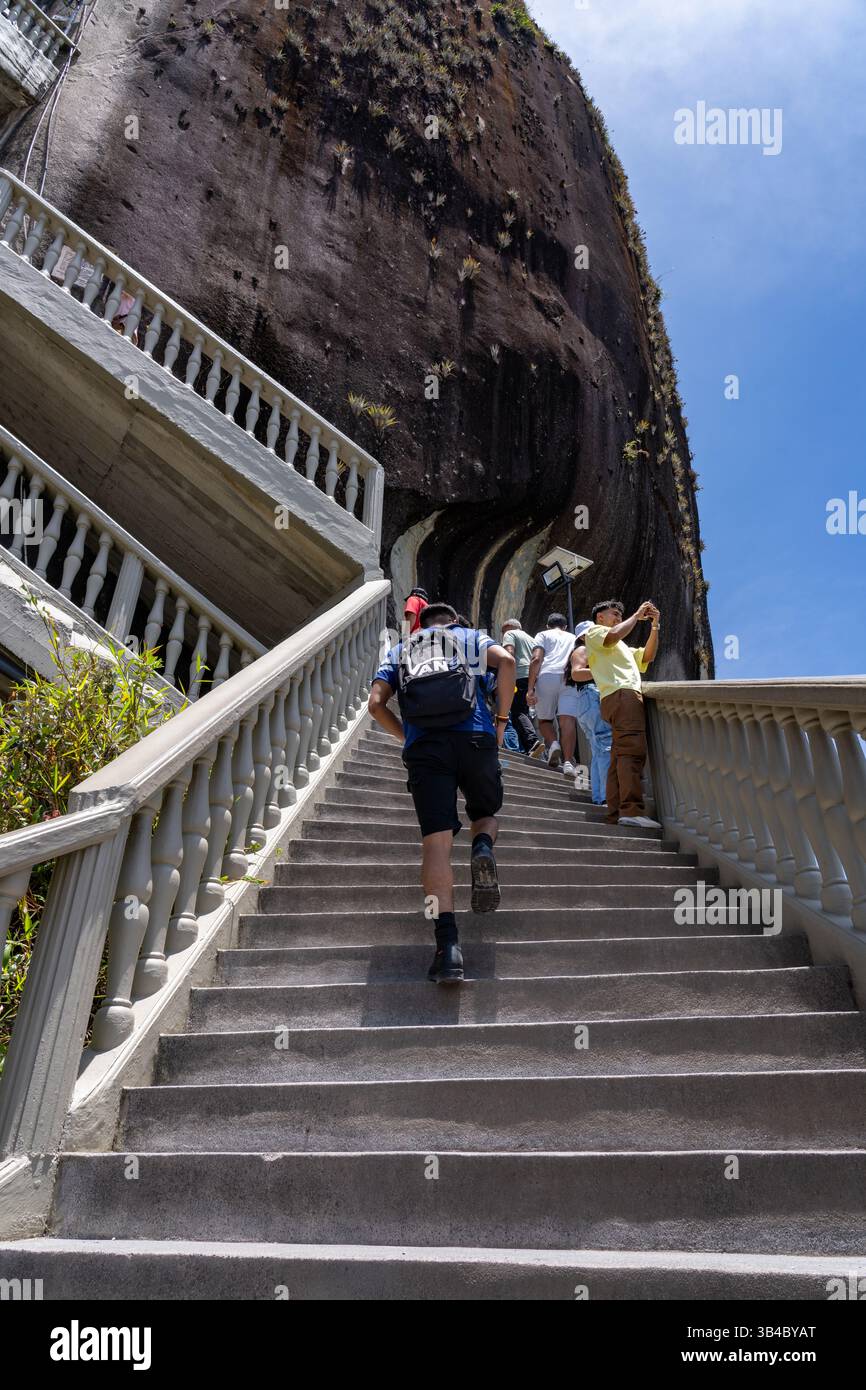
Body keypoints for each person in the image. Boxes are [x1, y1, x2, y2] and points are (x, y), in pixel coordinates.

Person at [368, 601, 516, 984]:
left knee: (436, 845)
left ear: (420, 625)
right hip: (476, 738)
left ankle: (447, 948)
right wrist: (501, 722)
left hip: (425, 750)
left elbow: (375, 704)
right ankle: (482, 846)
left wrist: (407, 737)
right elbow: (508, 664)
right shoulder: (469, 637)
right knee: (485, 814)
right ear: (454, 621)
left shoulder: (402, 649)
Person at [583, 599, 661, 828]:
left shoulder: (623, 648)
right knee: (632, 752)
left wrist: (655, 625)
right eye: (614, 614)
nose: (617, 617)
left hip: (618, 697)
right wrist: (636, 616)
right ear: (600, 617)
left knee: (619, 758)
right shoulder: (595, 632)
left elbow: (647, 656)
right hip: (623, 695)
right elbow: (612, 636)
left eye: (620, 614)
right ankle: (632, 809)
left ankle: (616, 812)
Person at [556, 621, 612, 805]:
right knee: (605, 744)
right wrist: (605, 671)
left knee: (598, 749)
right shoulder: (583, 650)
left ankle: (599, 796)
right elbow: (577, 673)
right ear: (582, 636)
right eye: (592, 632)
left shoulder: (585, 650)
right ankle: (607, 796)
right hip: (590, 695)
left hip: (585, 699)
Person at [526, 612, 575, 770]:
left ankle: (554, 744)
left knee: (545, 720)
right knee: (567, 720)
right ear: (565, 626)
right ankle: (567, 762)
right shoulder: (573, 637)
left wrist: (530, 688)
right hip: (569, 677)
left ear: (547, 625)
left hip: (547, 676)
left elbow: (536, 659)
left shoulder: (542, 634)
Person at [501, 619, 544, 757]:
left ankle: (532, 742)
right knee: (527, 712)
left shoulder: (510, 634)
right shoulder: (533, 639)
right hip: (535, 678)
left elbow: (509, 653)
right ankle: (533, 749)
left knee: (517, 711)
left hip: (519, 676)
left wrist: (507, 676)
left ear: (509, 627)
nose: (503, 634)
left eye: (503, 631)